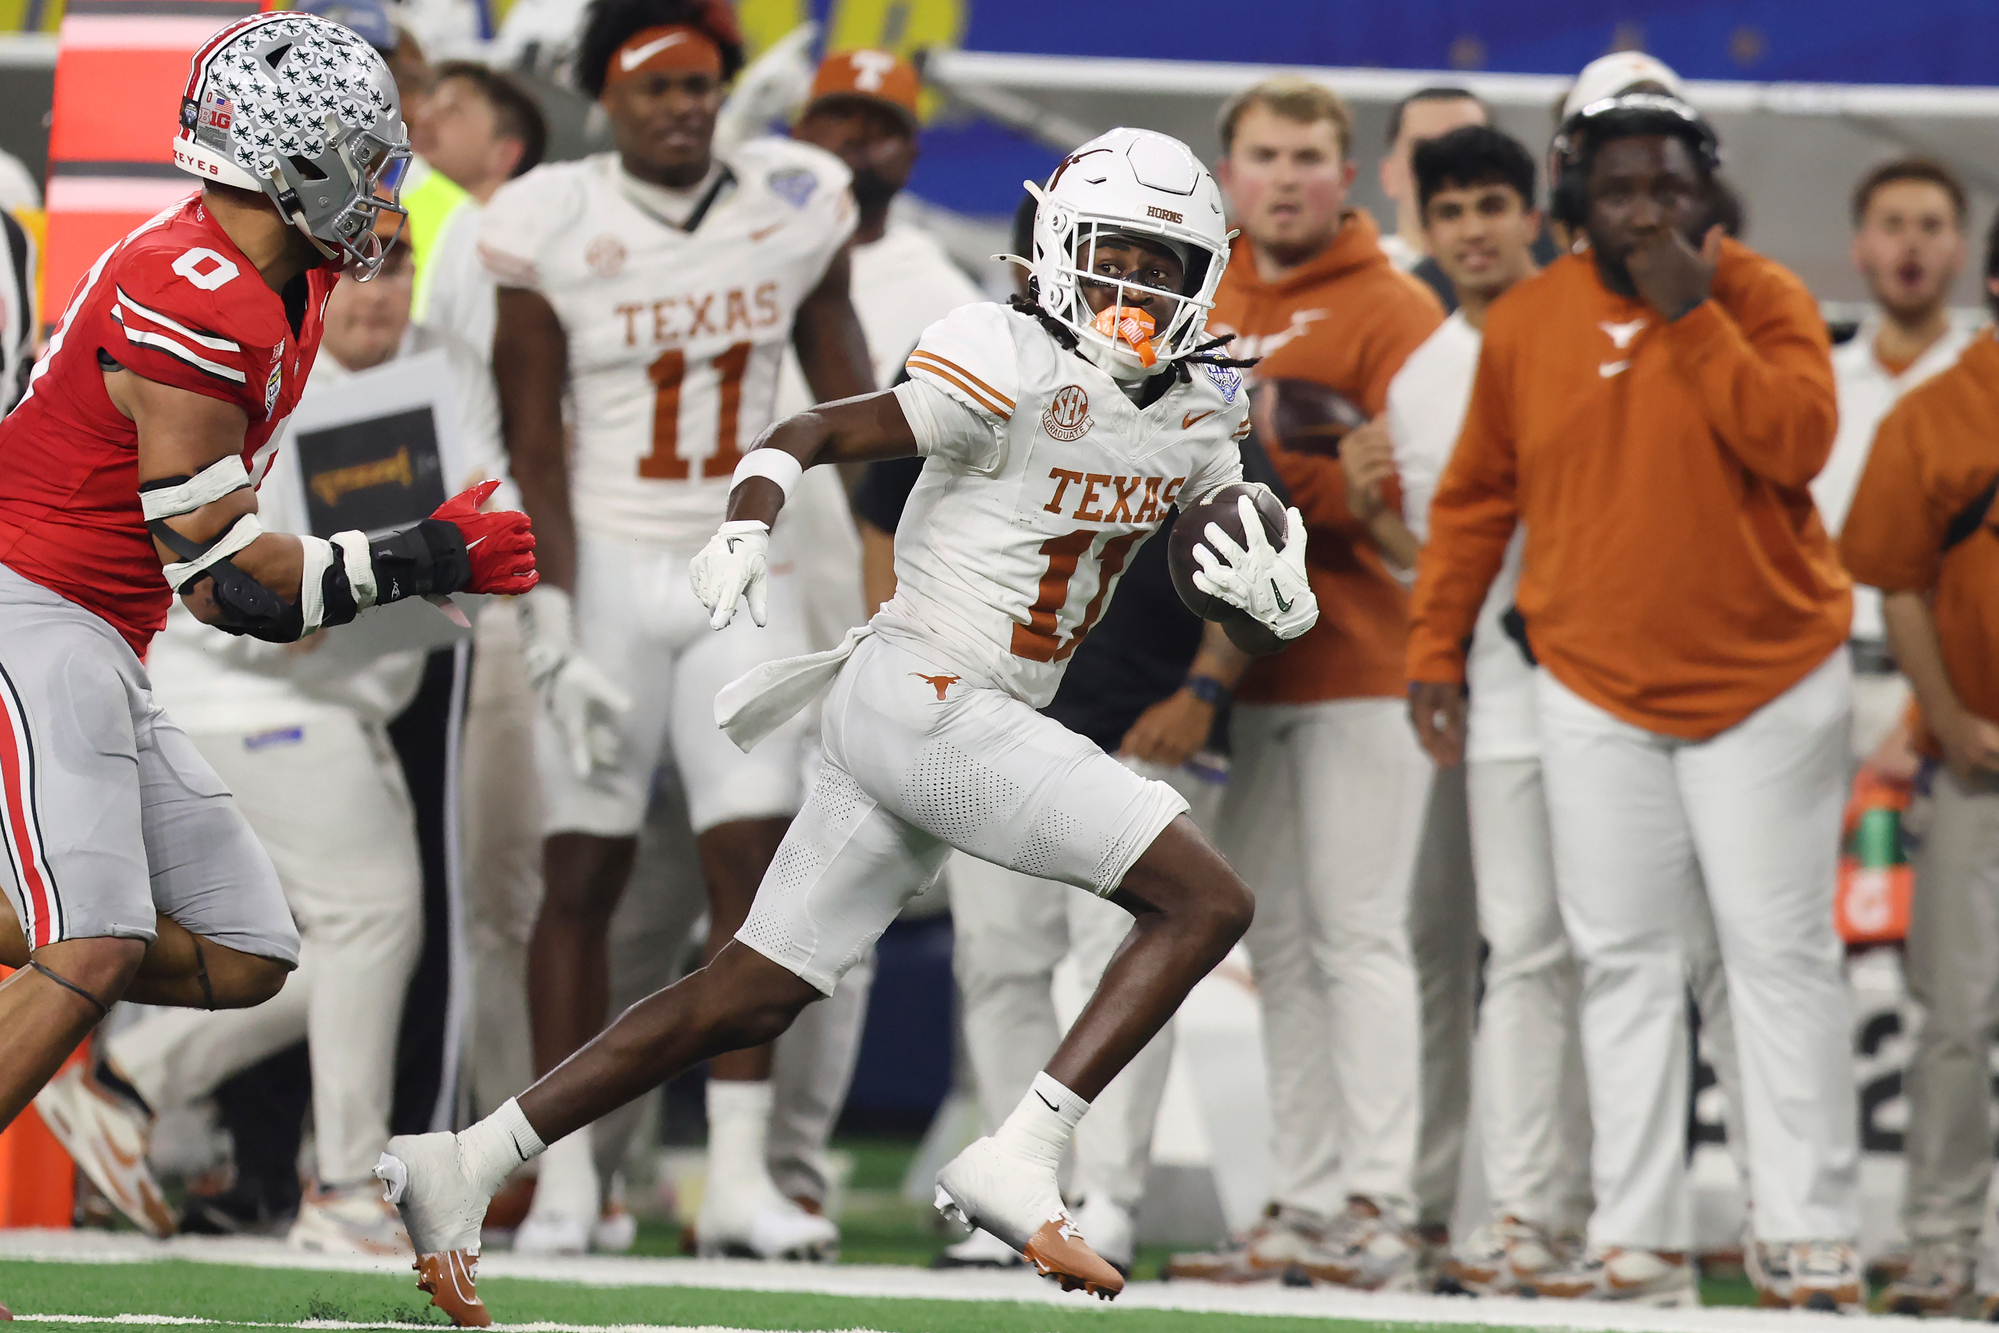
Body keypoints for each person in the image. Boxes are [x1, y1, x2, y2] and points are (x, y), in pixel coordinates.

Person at [376, 124, 1310, 1326]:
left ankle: (466, 1161)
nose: (1137, 287)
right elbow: (805, 429)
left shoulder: (1203, 406)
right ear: (1063, 248)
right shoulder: (1005, 354)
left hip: (948, 716)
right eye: (1117, 252)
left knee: (751, 989)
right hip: (928, 693)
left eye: (1165, 264)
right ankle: (1020, 1152)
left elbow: (1228, 555)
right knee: (1207, 899)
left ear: (1206, 276)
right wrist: (746, 523)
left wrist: (1273, 602)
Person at [0, 9, 535, 1137]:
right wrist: (429, 554)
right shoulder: (191, 289)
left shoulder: (279, 278)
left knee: (245, 951)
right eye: (364, 160)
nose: (384, 190)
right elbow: (226, 584)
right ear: (290, 160)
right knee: (91, 940)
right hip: (32, 607)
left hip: (100, 632)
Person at [1407, 88, 1862, 1307]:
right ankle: (1640, 1239)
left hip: (1769, 686)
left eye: (1668, 186)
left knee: (1777, 959)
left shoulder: (1760, 296)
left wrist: (1692, 316)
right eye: (1619, 190)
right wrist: (1434, 647)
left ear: (1704, 189)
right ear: (1576, 200)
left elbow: (1797, 443)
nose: (1646, 211)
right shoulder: (1530, 321)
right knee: (1617, 963)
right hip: (1591, 685)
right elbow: (1472, 502)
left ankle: (1808, 1229)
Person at [485, 0, 874, 1259]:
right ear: (607, 98)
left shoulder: (794, 201)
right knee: (582, 870)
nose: (684, 107)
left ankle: (743, 1180)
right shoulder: (552, 215)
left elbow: (855, 398)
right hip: (603, 568)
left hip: (734, 569)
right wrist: (547, 606)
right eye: (656, 87)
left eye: (703, 84)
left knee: (754, 873)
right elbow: (532, 434)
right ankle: (561, 1177)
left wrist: (900, 543)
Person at [33, 242, 434, 1256]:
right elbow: (230, 584)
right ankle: (345, 1186)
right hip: (240, 689)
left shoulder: (423, 373)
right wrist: (407, 569)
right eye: (362, 267)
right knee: (371, 912)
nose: (378, 288)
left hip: (317, 699)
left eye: (400, 265)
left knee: (294, 947)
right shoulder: (254, 364)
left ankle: (142, 1074)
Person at [1171, 76, 1443, 1290]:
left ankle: (1381, 1201)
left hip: (1360, 662)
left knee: (1362, 934)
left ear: (1350, 173)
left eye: (1310, 156)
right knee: (1274, 946)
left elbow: (1414, 512)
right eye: (1265, 154)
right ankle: (1298, 1197)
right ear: (1227, 173)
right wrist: (1317, 476)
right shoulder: (1187, 292)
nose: (1285, 176)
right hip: (1226, 676)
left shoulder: (1399, 310)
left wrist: (1304, 484)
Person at [1334, 122, 1594, 1291]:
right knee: (1496, 948)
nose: (1475, 229)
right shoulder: (1421, 370)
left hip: (1606, 680)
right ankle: (1505, 1213)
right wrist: (1371, 512)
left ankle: (1566, 1213)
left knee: (1598, 953)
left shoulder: (1590, 335)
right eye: (1452, 214)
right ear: (1426, 230)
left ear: (1533, 212)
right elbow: (1439, 559)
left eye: (1494, 204)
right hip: (1476, 688)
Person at [1840, 218, 1999, 1317]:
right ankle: (1942, 1245)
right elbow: (1894, 576)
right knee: (1955, 1016)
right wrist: (1945, 716)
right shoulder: (1939, 410)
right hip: (1979, 762)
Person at [1817, 159, 1972, 758]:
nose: (1911, 244)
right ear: (1860, 247)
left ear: (1960, 251)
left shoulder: (1983, 391)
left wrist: (1933, 706)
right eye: (1893, 224)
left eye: (1931, 227)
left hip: (1949, 690)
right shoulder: (1814, 384)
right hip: (1814, 678)